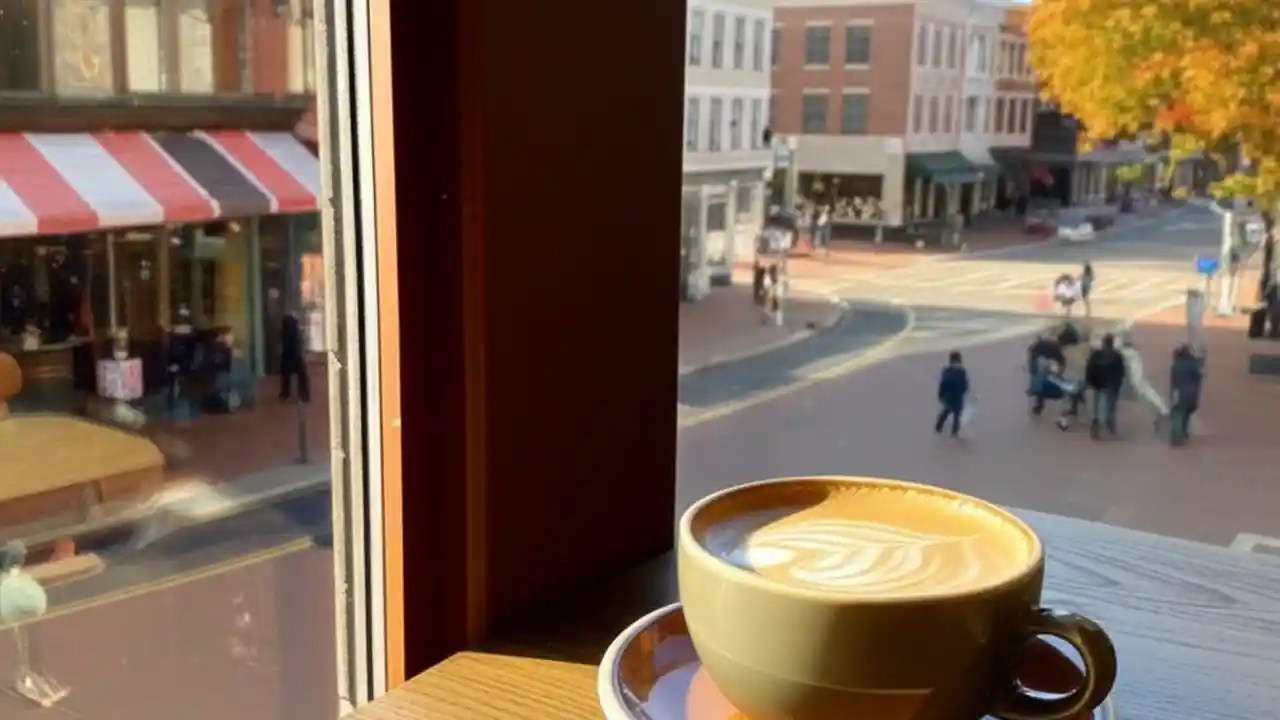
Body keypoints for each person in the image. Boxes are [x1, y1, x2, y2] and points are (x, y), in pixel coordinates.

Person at [1085, 333, 1126, 438]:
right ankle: (1110, 424)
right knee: (1110, 407)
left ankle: (1096, 422)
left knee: (1096, 406)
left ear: (1103, 343)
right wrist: (1118, 384)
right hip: (1111, 385)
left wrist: (1088, 381)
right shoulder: (1117, 355)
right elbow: (1121, 372)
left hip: (1097, 383)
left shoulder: (1096, 354)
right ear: (1112, 343)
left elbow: (1089, 368)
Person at [1169, 344, 1204, 446]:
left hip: (1181, 393)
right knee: (1186, 413)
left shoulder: (1176, 365)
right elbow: (1198, 378)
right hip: (1192, 393)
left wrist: (1172, 394)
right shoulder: (1193, 364)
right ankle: (1183, 433)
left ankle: (1177, 435)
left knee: (1178, 413)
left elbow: (1173, 382)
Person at [935, 351, 969, 438]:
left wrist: (941, 394)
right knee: (953, 413)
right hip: (954, 395)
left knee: (949, 411)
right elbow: (964, 384)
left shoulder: (949, 371)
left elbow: (943, 384)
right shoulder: (959, 371)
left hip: (952, 395)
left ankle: (942, 427)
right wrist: (963, 390)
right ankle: (951, 432)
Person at [280, 312, 311, 403]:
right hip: (295, 354)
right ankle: (303, 395)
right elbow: (298, 341)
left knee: (286, 375)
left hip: (286, 354)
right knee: (302, 375)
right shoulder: (293, 330)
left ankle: (285, 393)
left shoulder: (285, 330)